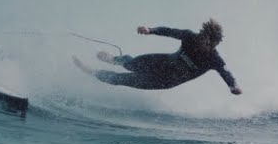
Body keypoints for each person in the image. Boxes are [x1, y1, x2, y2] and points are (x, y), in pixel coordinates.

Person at [73, 19, 242, 94]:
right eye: (202, 39)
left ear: (214, 44)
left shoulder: (214, 59)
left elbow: (226, 73)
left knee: (121, 80)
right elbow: (169, 31)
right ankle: (114, 59)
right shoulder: (190, 36)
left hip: (164, 81)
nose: (202, 45)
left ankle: (92, 72)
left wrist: (233, 86)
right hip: (160, 62)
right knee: (130, 63)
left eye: (207, 43)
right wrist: (150, 30)